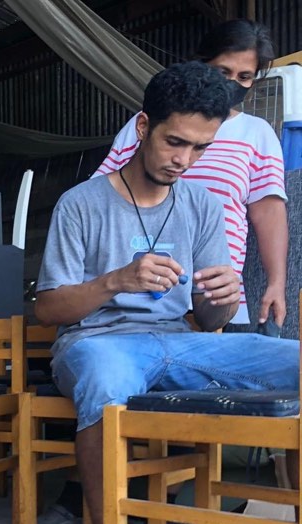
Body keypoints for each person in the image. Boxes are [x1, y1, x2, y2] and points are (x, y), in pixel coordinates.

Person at [35, 61, 300, 524]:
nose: (184, 160)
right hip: (97, 341)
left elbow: (206, 321)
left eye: (200, 148)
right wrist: (118, 280)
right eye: (174, 141)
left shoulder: (202, 205)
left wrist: (224, 295)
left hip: (183, 340)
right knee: (105, 383)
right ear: (142, 127)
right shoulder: (81, 203)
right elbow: (49, 310)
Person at [98, 19, 288, 328]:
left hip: (215, 300)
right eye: (223, 71)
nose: (231, 83)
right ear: (202, 64)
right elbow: (101, 194)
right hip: (139, 297)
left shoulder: (256, 133)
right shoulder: (151, 124)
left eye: (245, 77)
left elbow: (269, 214)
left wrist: (276, 283)